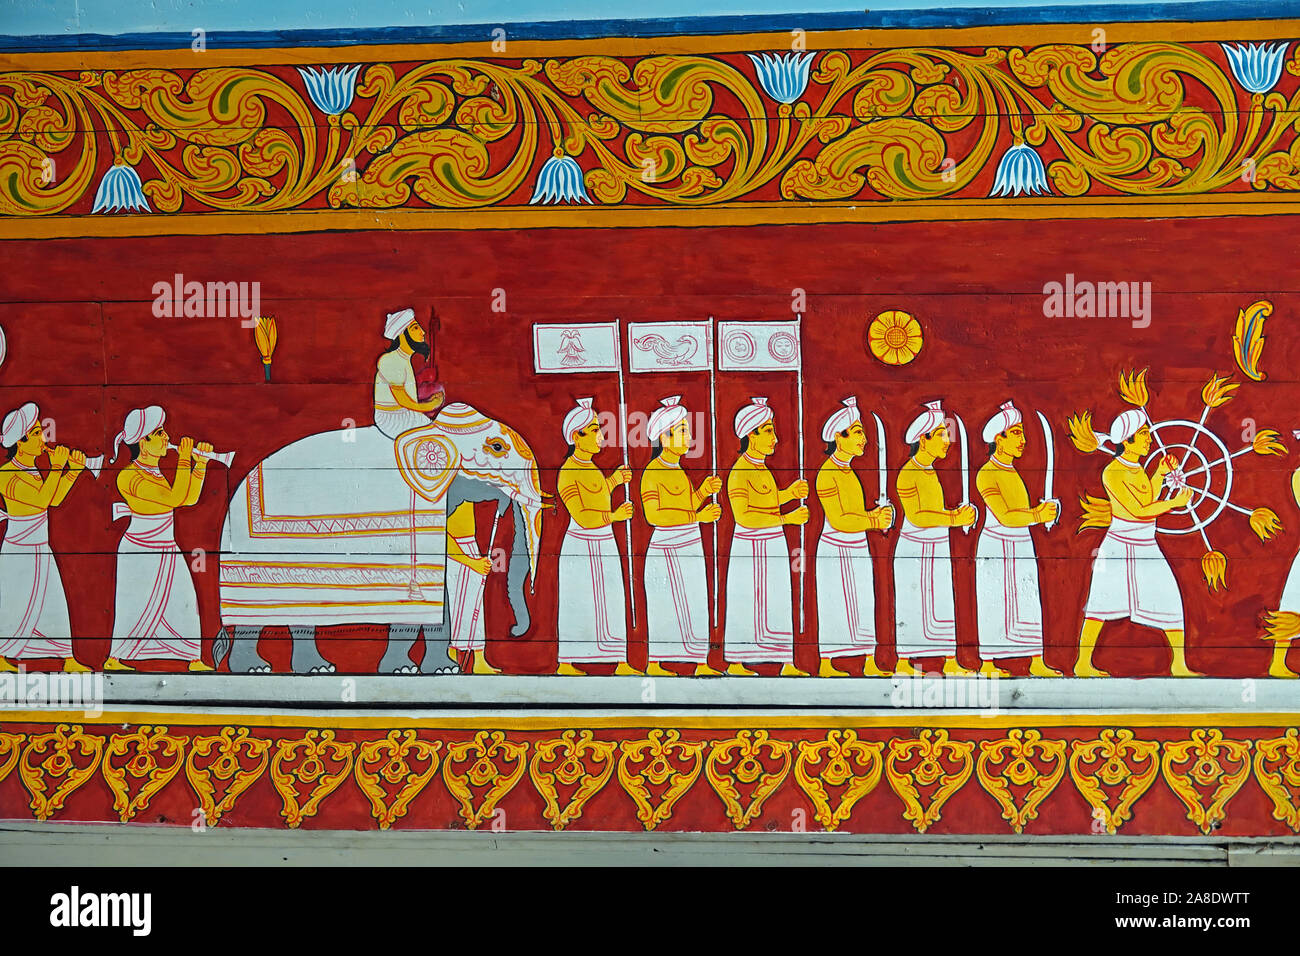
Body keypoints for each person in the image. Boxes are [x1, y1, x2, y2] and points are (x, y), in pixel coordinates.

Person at [1071, 409, 1197, 677]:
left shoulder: (1137, 468)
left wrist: (1159, 473)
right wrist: (1174, 503)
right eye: (1143, 435)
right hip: (1119, 545)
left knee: (1169, 597)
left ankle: (1178, 664)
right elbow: (1139, 510)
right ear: (1127, 441)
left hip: (1145, 542)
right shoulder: (1112, 472)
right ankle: (1082, 663)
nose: (1149, 439)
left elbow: (1147, 497)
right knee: (1100, 603)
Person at [104, 406, 214, 671]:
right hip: (140, 550)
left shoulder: (154, 471)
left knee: (184, 597)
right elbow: (174, 498)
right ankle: (114, 658)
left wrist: (200, 465)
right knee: (133, 605)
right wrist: (185, 459)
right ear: (143, 443)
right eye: (160, 433)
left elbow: (188, 499)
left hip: (166, 545)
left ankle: (193, 658)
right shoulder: (128, 476)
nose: (167, 438)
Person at [974, 401, 1061, 677]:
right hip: (996, 546)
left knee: (1027, 600)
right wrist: (1037, 514)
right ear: (998, 438)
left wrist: (1042, 514)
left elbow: (1019, 514)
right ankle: (989, 662)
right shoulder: (987, 474)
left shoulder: (1012, 471)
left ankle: (1035, 659)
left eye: (1022, 433)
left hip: (1021, 543)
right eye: (1016, 433)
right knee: (994, 601)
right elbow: (1005, 515)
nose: (1023, 440)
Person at [0, 403, 88, 672]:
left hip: (40, 546)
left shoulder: (33, 469)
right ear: (21, 441)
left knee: (53, 601)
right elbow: (40, 501)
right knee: (14, 603)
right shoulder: (6, 473)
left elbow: (54, 499)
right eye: (37, 433)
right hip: (20, 550)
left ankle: (66, 657)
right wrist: (58, 466)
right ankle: (2, 656)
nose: (43, 438)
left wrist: (72, 471)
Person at [723, 397, 808, 676]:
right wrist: (787, 518)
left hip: (771, 542)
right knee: (749, 601)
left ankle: (781, 660)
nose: (775, 438)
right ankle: (738, 661)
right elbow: (745, 516)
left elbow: (767, 501)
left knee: (776, 598)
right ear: (751, 434)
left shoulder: (762, 468)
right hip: (751, 546)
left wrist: (789, 494)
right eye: (769, 431)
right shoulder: (740, 472)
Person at [639, 396, 722, 676]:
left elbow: (685, 506)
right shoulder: (653, 473)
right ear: (665, 437)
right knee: (666, 605)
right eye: (683, 430)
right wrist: (698, 517)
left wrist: (702, 493)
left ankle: (698, 661)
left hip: (689, 544)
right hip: (667, 548)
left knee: (694, 601)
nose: (689, 437)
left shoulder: (679, 470)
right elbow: (655, 516)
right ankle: (657, 663)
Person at [555, 397, 638, 675]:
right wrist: (614, 516)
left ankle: (618, 659)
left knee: (610, 599)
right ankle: (568, 663)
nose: (601, 436)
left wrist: (614, 480)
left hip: (604, 542)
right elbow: (584, 516)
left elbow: (598, 494)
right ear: (576, 437)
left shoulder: (590, 466)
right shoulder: (568, 472)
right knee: (581, 600)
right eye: (593, 430)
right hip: (582, 544)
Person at [894, 400, 976, 675]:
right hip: (916, 549)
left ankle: (943, 659)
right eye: (941, 434)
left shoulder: (929, 472)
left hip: (936, 546)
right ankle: (916, 661)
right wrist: (954, 518)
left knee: (939, 604)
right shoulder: (909, 473)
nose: (947, 440)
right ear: (923, 439)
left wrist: (957, 516)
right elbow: (918, 515)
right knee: (917, 605)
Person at [814, 397, 892, 677]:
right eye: (858, 432)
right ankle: (828, 663)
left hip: (856, 545)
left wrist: (875, 516)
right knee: (836, 604)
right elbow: (839, 519)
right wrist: (873, 520)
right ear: (839, 436)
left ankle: (867, 658)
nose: (864, 440)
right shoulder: (828, 474)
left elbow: (855, 514)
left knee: (861, 604)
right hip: (836, 548)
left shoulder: (848, 472)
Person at [442, 501, 499, 674]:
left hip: (468, 544)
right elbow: (439, 533)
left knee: (475, 605)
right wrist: (470, 562)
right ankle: (456, 652)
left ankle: (479, 657)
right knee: (460, 606)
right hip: (456, 551)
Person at [374, 308, 444, 439]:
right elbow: (403, 401)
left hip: (405, 414)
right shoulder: (391, 360)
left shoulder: (403, 359)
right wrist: (431, 405)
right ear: (402, 335)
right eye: (415, 328)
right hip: (392, 419)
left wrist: (430, 401)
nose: (422, 332)